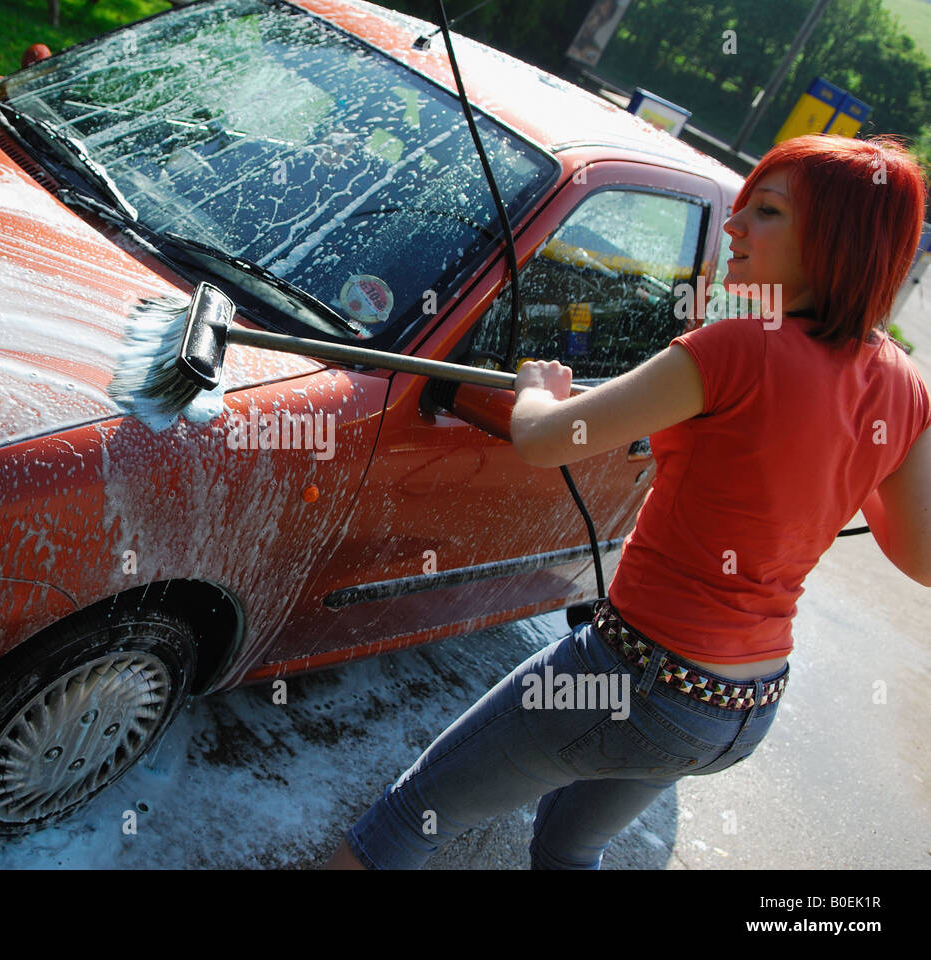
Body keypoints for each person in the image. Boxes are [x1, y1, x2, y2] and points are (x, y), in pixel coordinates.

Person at [323, 133, 931, 870]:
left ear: (839, 241)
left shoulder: (734, 348)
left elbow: (549, 441)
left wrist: (536, 393)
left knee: (404, 820)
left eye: (765, 212)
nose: (734, 226)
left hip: (635, 676)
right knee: (571, 847)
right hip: (737, 710)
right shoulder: (905, 387)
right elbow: (922, 558)